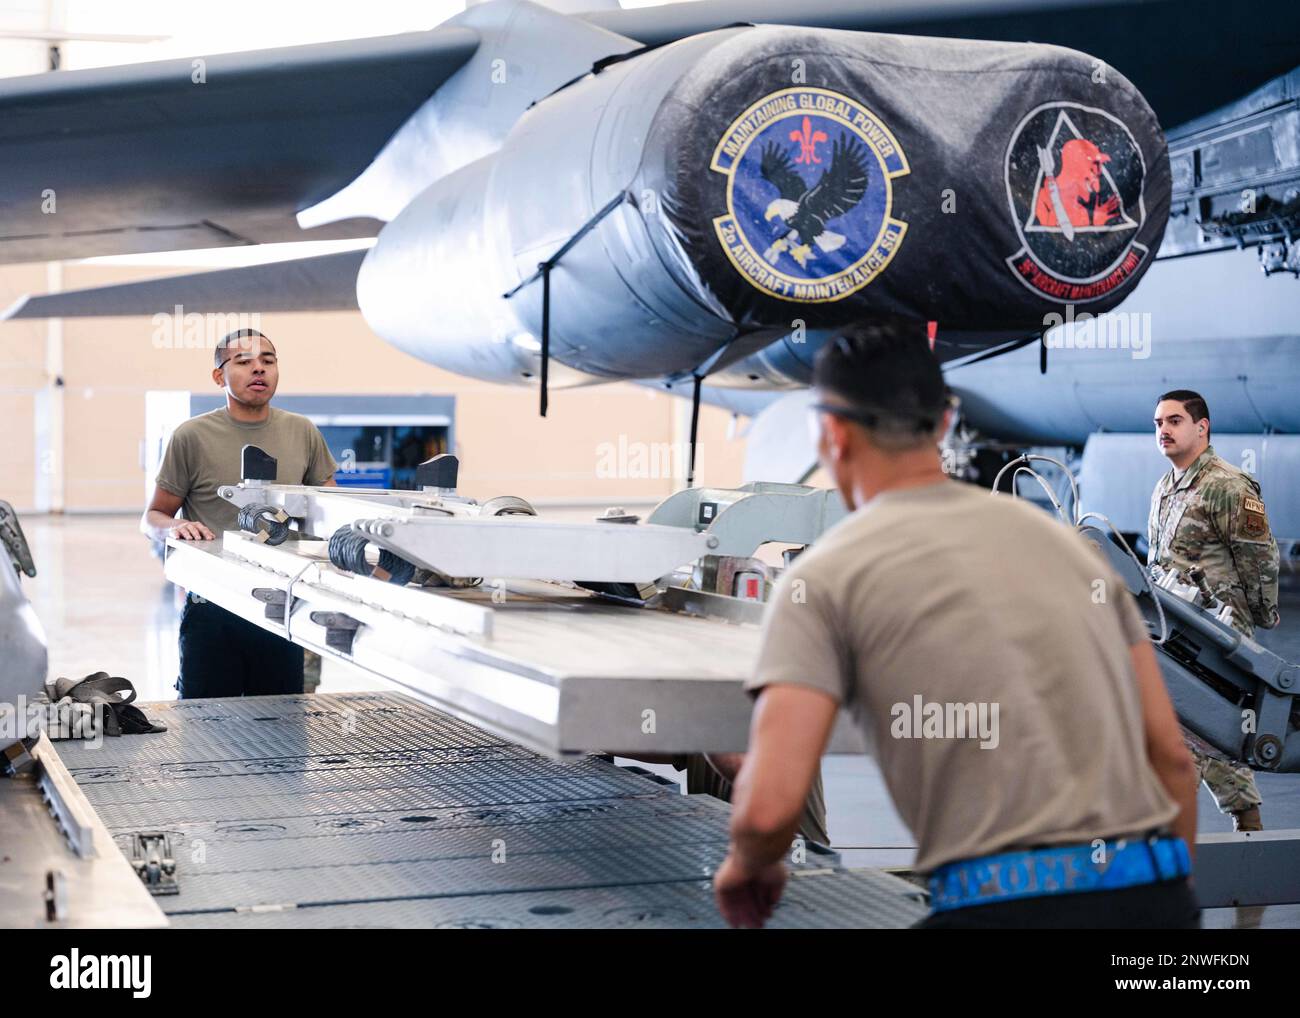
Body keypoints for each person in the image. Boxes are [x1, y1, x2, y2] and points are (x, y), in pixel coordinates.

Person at [713, 319, 1199, 929]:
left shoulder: (827, 578)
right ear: (944, 423)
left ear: (832, 436)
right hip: (1155, 902)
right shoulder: (1071, 552)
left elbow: (768, 810)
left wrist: (746, 867)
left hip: (995, 907)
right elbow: (1172, 760)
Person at [141, 329, 337, 698]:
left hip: (281, 604)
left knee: (281, 726)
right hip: (212, 607)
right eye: (244, 362)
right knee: (208, 726)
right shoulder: (191, 436)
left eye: (268, 361)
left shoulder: (303, 432)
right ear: (219, 376)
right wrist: (176, 527)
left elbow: (329, 514)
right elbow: (152, 516)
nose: (258, 370)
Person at [1150, 389, 1280, 832]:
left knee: (1210, 734)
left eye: (1174, 421)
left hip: (1220, 633)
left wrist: (1256, 628)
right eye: (1158, 423)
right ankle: (1233, 834)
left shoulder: (1229, 485)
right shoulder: (1166, 487)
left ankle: (1227, 841)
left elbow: (1260, 557)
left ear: (1201, 427)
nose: (1163, 430)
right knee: (1197, 738)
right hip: (1176, 628)